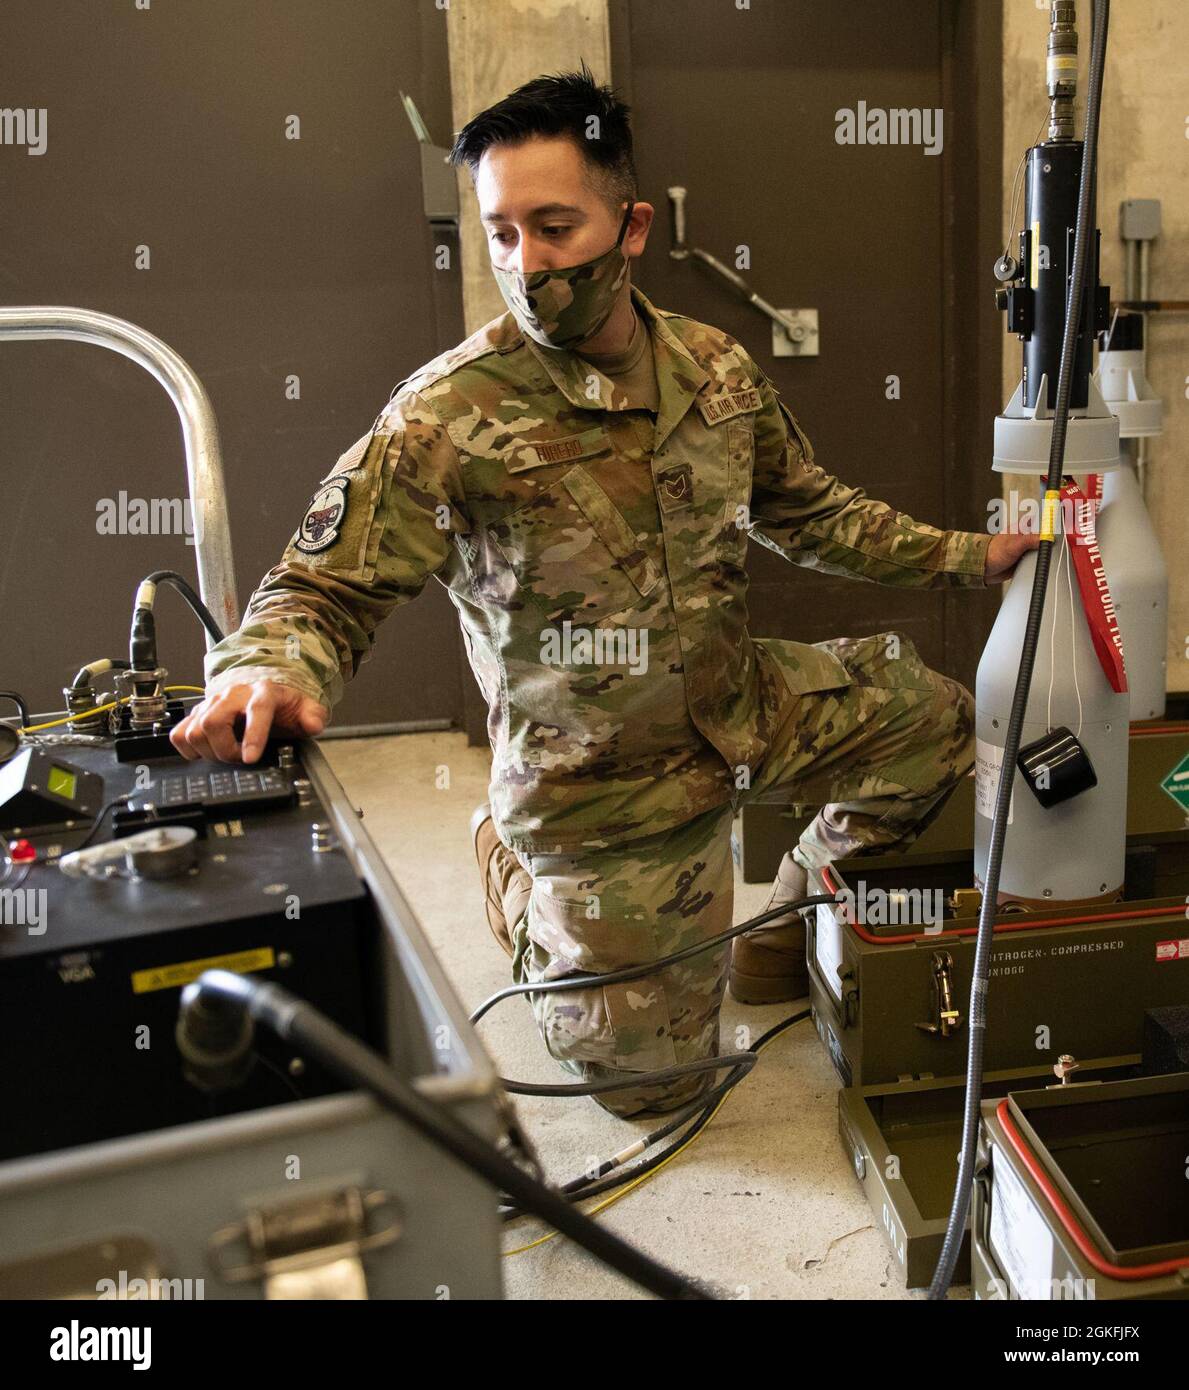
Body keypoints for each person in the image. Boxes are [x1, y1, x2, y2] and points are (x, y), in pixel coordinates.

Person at [171, 65, 1036, 1119]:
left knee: (938, 724)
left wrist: (968, 556)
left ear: (630, 228)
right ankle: (514, 870)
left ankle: (779, 931)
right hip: (594, 786)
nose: (525, 263)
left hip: (734, 707)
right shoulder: (446, 414)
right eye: (500, 233)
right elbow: (321, 586)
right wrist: (265, 670)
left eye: (553, 228)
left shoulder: (715, 370)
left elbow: (808, 512)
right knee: (652, 1091)